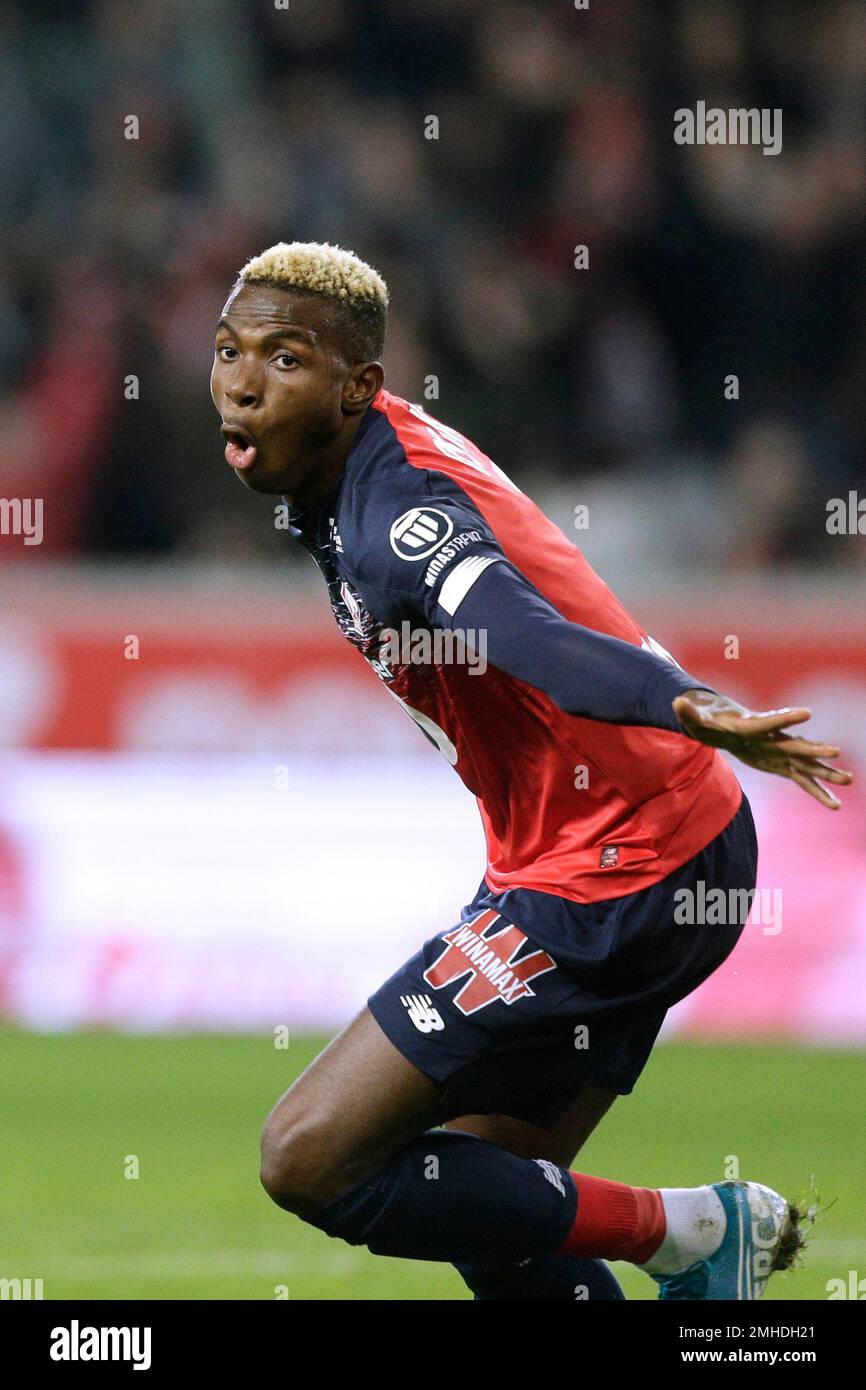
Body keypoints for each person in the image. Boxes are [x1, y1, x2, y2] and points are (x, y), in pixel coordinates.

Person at [211, 241, 852, 1300]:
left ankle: (691, 1230)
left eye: (284, 359)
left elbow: (522, 630)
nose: (240, 380)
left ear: (356, 388)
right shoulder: (341, 479)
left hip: (624, 863)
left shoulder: (395, 517)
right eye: (230, 350)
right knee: (490, 1207)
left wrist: (684, 704)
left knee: (311, 1154)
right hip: (627, 848)